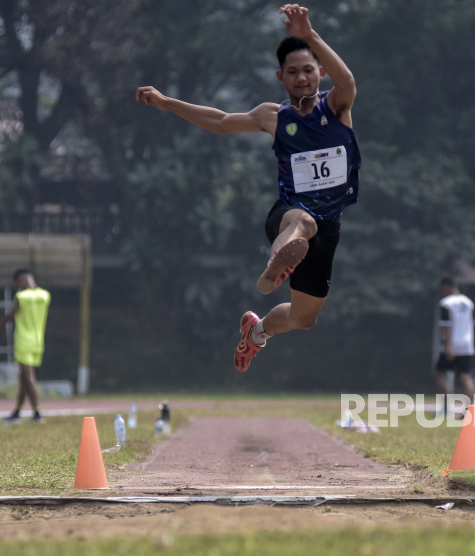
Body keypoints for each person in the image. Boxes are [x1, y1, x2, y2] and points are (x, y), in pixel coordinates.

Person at [136, 4, 360, 373]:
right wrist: (165, 103)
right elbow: (221, 121)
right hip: (287, 216)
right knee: (304, 221)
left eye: (308, 70)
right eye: (293, 73)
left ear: (320, 71)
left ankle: (256, 332)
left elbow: (348, 80)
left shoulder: (336, 106)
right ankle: (278, 260)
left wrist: (310, 35)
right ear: (280, 77)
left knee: (304, 318)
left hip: (329, 225)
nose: (302, 78)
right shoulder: (272, 116)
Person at [0, 269, 51, 422]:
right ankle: (17, 411)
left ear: (20, 280)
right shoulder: (45, 295)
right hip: (38, 341)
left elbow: (10, 316)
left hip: (23, 340)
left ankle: (37, 412)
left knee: (28, 378)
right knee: (23, 378)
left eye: (18, 283)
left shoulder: (21, 297)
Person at [434, 278, 475, 416]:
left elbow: (447, 326)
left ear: (446, 287)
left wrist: (448, 347)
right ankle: (469, 410)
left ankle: (445, 407)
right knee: (465, 376)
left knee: (440, 372)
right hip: (467, 344)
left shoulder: (446, 303)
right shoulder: (469, 302)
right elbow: (471, 323)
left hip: (452, 344)